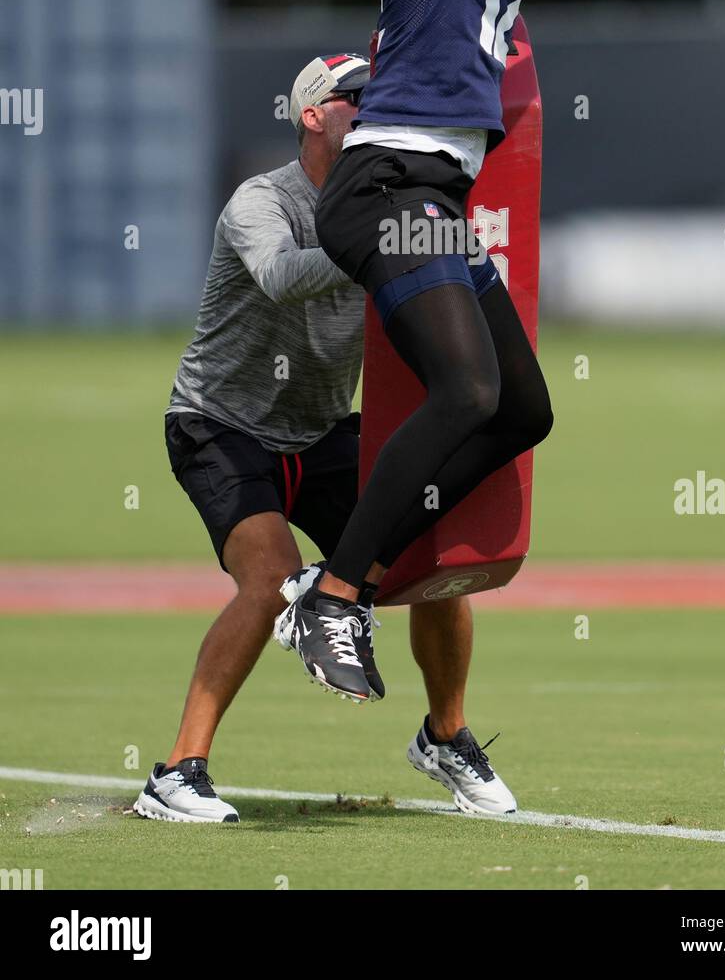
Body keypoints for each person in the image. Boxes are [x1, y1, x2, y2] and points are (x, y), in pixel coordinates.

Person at [283, 0, 721, 700]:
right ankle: (336, 594)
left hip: (429, 195)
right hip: (386, 181)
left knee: (517, 407)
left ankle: (351, 566)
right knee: (468, 389)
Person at [133, 53, 516, 824]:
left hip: (320, 427)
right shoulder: (261, 200)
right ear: (312, 114)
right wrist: (387, 250)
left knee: (425, 557)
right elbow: (278, 275)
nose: (374, 115)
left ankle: (444, 735)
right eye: (356, 101)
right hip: (222, 424)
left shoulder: (389, 203)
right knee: (272, 577)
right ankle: (176, 774)